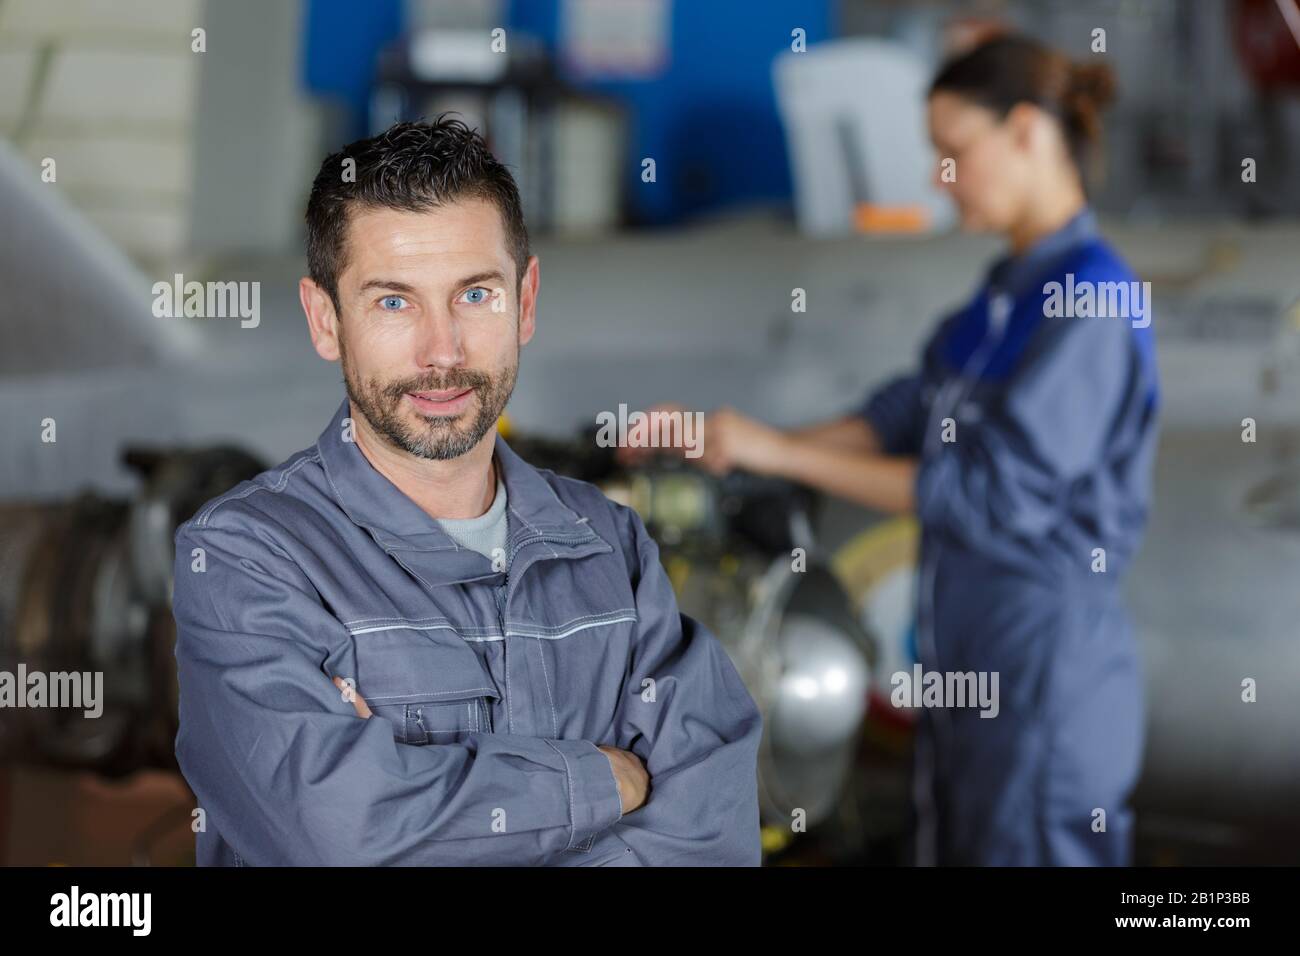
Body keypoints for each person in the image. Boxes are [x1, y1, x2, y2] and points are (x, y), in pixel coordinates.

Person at [170, 117, 762, 866]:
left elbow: (713, 834)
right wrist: (602, 781)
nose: (442, 351)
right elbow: (335, 837)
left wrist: (422, 801)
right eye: (394, 302)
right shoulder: (246, 558)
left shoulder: (610, 547)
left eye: (475, 295)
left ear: (526, 300)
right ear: (326, 320)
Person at [632, 35, 1159, 865]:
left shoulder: (1090, 303)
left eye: (953, 152)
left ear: (1026, 131)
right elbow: (902, 414)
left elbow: (985, 494)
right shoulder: (1004, 296)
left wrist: (785, 456)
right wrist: (742, 445)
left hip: (1042, 677)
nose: (938, 179)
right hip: (971, 668)